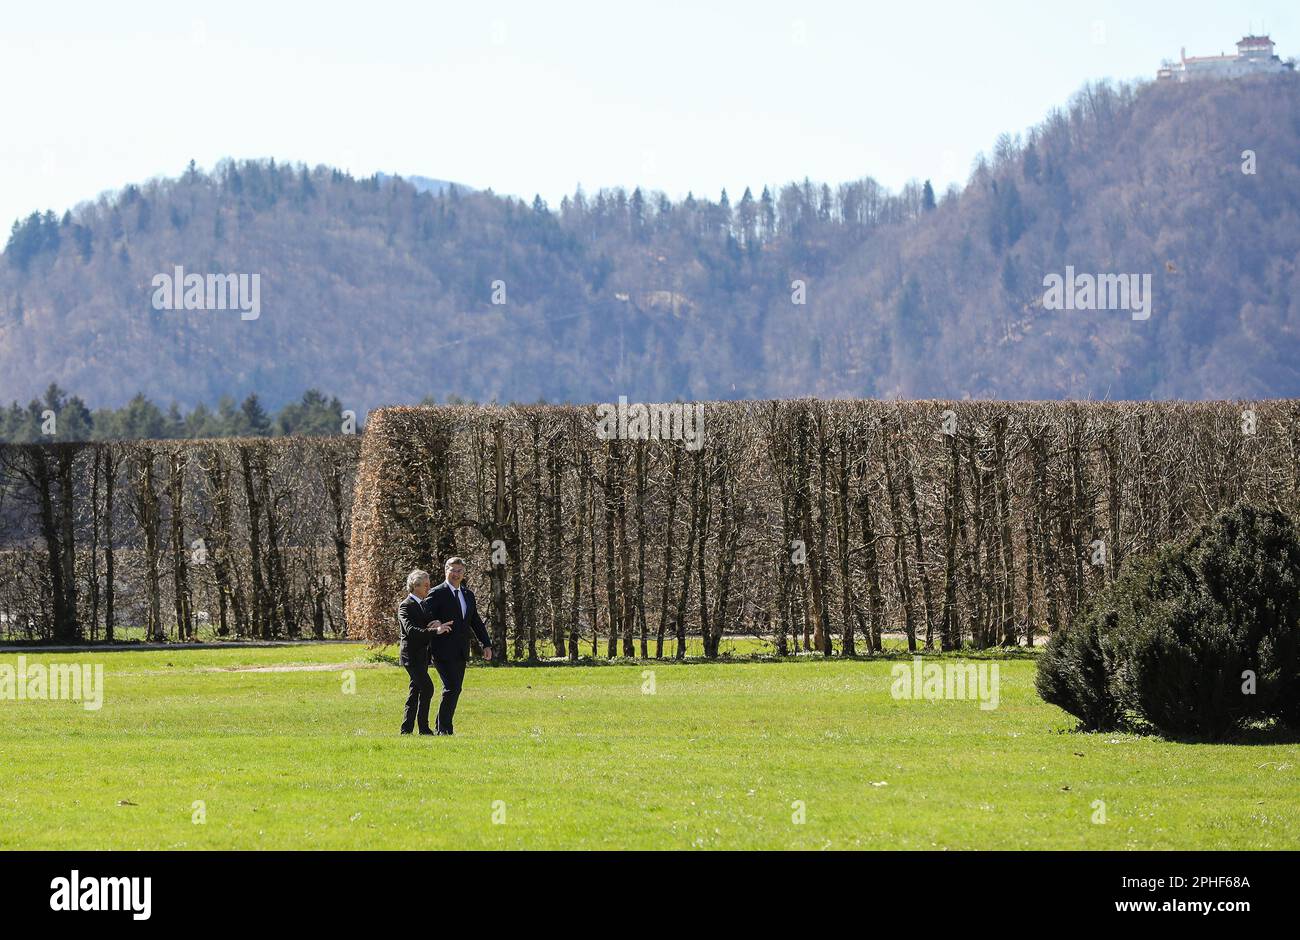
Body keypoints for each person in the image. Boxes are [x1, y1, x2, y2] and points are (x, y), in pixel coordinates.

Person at [420, 557, 493, 735]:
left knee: (455, 689)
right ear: (446, 570)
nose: (456, 574)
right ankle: (445, 729)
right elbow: (424, 614)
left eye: (459, 571)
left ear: (464, 573)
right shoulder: (437, 593)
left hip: (461, 650)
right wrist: (434, 623)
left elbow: (475, 621)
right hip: (441, 649)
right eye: (453, 570)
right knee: (452, 687)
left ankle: (442, 726)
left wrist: (486, 644)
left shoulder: (468, 595)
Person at [397, 569, 451, 735]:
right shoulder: (405, 606)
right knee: (427, 688)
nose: (429, 587)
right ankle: (424, 728)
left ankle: (406, 729)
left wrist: (435, 623)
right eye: (426, 585)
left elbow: (427, 624)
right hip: (411, 657)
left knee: (416, 691)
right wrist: (436, 631)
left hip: (422, 656)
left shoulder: (424, 604)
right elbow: (412, 631)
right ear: (415, 586)